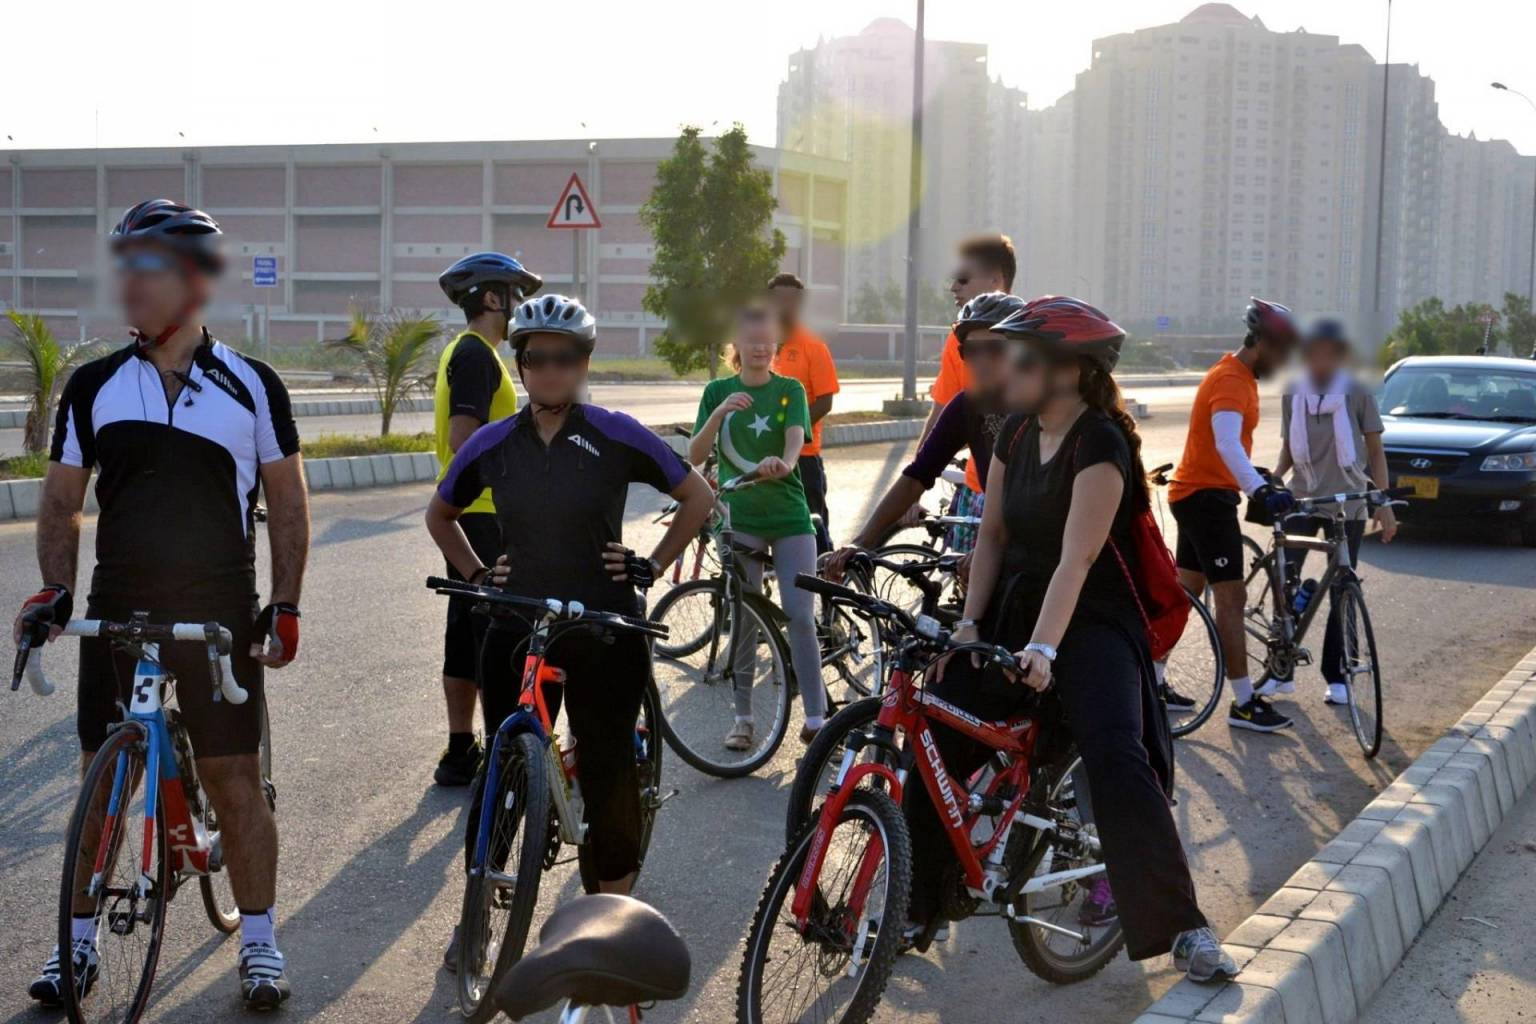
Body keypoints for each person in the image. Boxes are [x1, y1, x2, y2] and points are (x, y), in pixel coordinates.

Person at [16, 200, 309, 1009]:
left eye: (145, 268)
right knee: (99, 781)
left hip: (217, 604)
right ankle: (76, 948)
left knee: (233, 778)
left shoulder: (253, 386)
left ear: (193, 281)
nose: (128, 284)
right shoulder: (94, 386)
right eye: (124, 268)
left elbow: (287, 505)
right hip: (120, 601)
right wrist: (55, 588)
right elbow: (61, 504)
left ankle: (259, 942)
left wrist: (285, 606)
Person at [907, 295, 1235, 982]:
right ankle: (919, 900)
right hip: (1016, 607)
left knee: (1116, 754)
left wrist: (1044, 651)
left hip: (1090, 624)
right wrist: (967, 627)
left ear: (1069, 371)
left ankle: (1183, 928)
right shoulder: (1016, 432)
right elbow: (993, 535)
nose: (1006, 369)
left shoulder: (1099, 444)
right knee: (937, 718)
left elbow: (1077, 561)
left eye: (1022, 358)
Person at [428, 294, 712, 966]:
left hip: (604, 623)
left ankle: (608, 918)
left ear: (584, 362)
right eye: (537, 358)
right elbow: (440, 515)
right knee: (504, 766)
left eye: (566, 358)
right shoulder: (494, 442)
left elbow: (698, 497)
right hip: (518, 621)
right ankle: (477, 909)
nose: (552, 370)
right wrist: (478, 575)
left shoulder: (616, 432)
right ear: (521, 364)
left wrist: (651, 564)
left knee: (608, 767)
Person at [689, 303, 827, 748]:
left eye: (767, 340)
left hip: (789, 516)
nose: (760, 348)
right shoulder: (717, 391)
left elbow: (794, 444)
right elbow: (694, 456)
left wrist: (782, 463)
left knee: (800, 616)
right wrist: (719, 413)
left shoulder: (789, 390)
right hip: (739, 518)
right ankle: (743, 718)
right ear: (737, 343)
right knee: (745, 619)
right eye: (752, 340)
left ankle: (818, 719)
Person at [429, 252, 543, 787]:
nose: (519, 305)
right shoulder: (477, 355)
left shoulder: (469, 351)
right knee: (500, 637)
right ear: (494, 298)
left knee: (464, 631)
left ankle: (460, 751)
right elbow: (464, 437)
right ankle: (502, 754)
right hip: (483, 517)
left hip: (468, 514)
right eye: (516, 294)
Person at [1168, 298, 1300, 734]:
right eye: (1282, 353)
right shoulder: (1230, 380)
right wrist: (1257, 489)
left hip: (1197, 492)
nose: (1284, 363)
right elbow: (1225, 442)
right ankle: (1244, 703)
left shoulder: (1237, 375)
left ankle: (1152, 677)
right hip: (1206, 498)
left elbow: (1226, 445)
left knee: (1186, 592)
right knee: (1231, 598)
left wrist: (1255, 474)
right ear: (1263, 343)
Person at [825, 291, 1025, 579]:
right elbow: (917, 475)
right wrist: (862, 541)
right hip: (997, 543)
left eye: (995, 349)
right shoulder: (967, 406)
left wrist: (992, 549)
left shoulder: (1040, 411)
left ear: (1022, 350)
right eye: (971, 351)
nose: (981, 361)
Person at [1272, 318, 1396, 704]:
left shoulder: (1357, 392)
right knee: (1284, 581)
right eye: (1313, 354)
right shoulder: (1294, 393)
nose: (1320, 362)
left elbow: (1375, 451)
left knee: (1343, 586)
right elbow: (1289, 451)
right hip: (1302, 497)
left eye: (1328, 354)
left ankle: (1338, 674)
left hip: (1348, 502)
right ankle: (1280, 668)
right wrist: (1271, 481)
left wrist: (1383, 502)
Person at [913, 234, 1017, 520]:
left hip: (1024, 499)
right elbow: (942, 417)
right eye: (971, 351)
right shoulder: (957, 339)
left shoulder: (1029, 335)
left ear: (995, 280)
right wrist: (914, 490)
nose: (953, 287)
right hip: (978, 487)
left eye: (963, 279)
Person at [768, 272, 840, 554]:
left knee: (813, 526)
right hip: (762, 453)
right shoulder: (760, 345)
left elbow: (825, 401)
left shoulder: (813, 346)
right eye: (778, 299)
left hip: (803, 456)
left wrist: (790, 433)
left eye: (790, 299)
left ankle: (825, 572)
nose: (784, 305)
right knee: (766, 527)